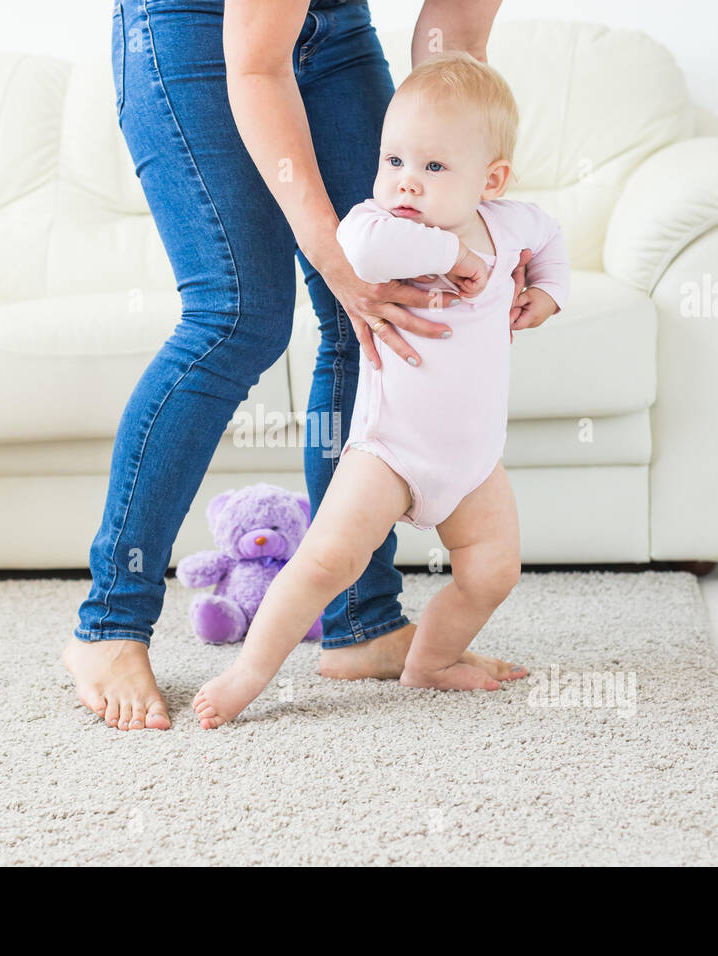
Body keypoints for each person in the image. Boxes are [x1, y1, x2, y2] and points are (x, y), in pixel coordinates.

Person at [66, 0, 540, 731]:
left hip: (335, 26)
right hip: (195, 24)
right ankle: (108, 626)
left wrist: (485, 220)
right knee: (238, 316)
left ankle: (363, 624)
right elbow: (257, 63)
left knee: (379, 314)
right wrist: (337, 253)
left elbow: (458, 48)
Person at [192, 50, 569, 728]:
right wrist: (453, 255)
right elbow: (360, 251)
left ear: (492, 179)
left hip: (472, 461)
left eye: (432, 167)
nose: (407, 183)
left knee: (492, 572)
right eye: (394, 161)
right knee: (324, 561)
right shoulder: (380, 225)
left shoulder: (513, 225)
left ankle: (431, 659)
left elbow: (551, 240)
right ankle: (250, 671)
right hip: (388, 452)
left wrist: (547, 294)